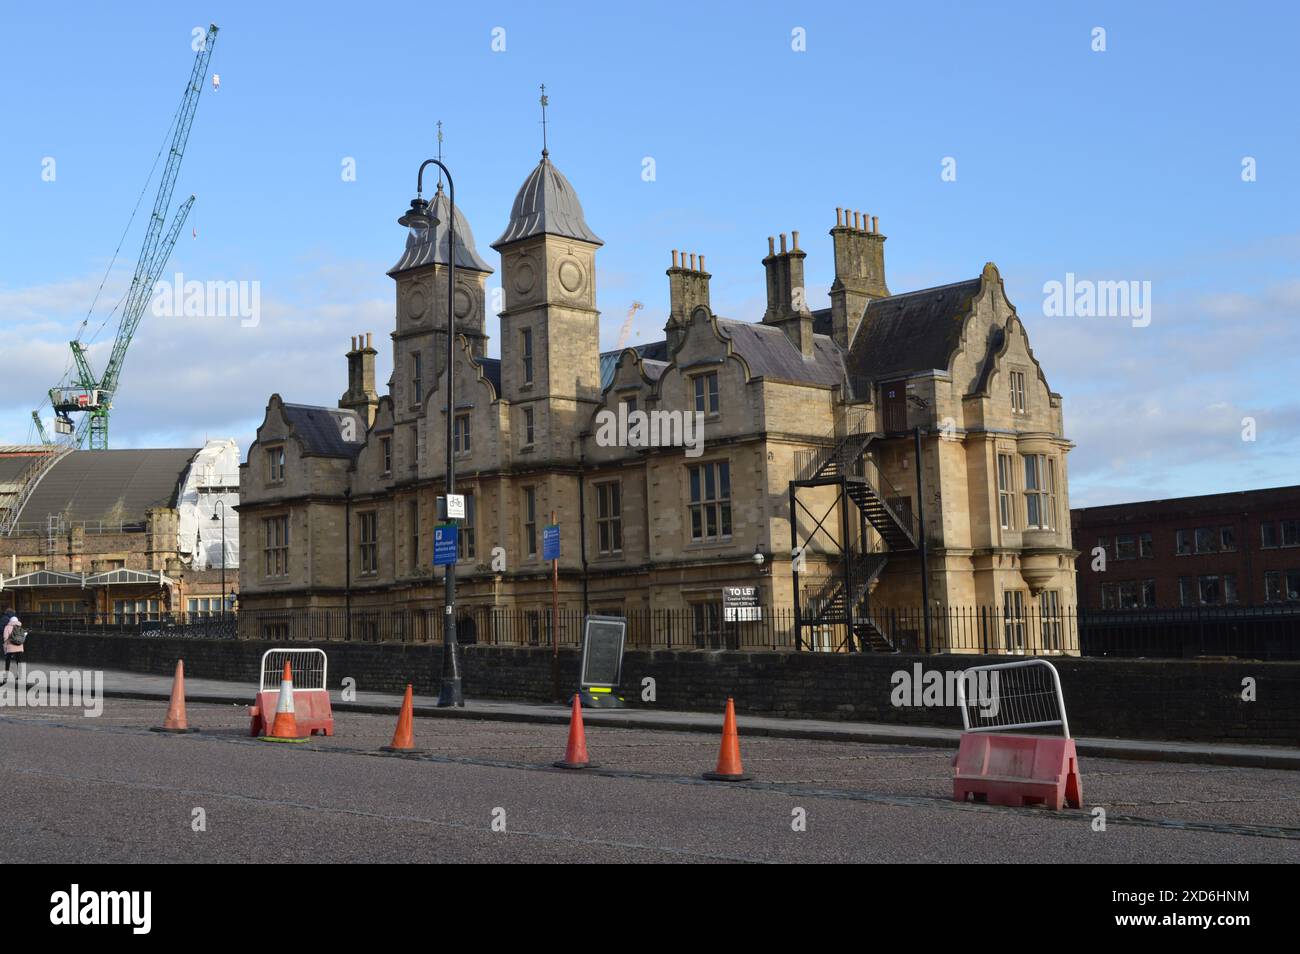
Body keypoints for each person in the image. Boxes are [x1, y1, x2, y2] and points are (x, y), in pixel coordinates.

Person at [3, 611, 24, 682]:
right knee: (19, 661)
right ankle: (20, 676)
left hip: (10, 647)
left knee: (7, 661)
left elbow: (5, 637)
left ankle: (6, 677)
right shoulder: (20, 627)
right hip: (19, 646)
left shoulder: (7, 627)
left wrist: (5, 644)